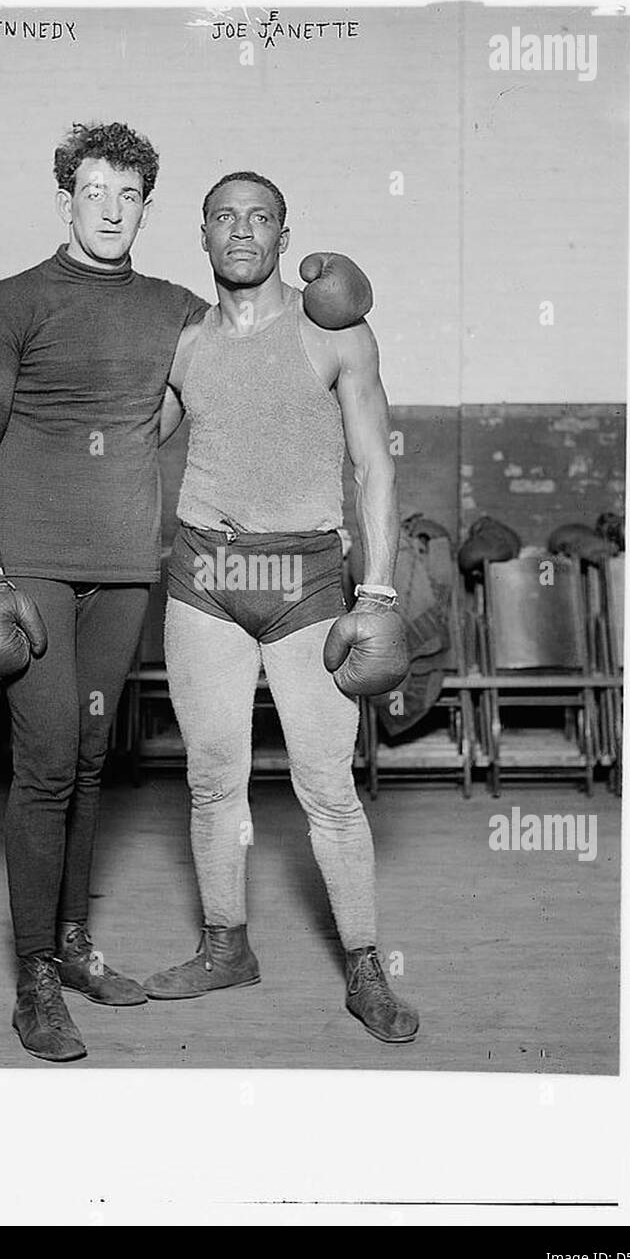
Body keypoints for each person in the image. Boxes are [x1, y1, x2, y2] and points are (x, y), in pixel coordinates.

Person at [0, 126, 373, 1062]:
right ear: (65, 198)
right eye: (92, 192)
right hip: (31, 567)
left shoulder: (176, 311)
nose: (108, 210)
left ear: (146, 207)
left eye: (127, 196)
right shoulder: (9, 301)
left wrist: (342, 289)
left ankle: (72, 943)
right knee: (48, 760)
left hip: (131, 568)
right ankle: (33, 980)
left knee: (92, 757)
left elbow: (263, 313)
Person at [143, 172, 420, 1044]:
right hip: (202, 574)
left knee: (328, 789)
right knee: (211, 780)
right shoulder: (184, 345)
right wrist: (3, 437)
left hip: (304, 583)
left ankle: (366, 968)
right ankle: (226, 945)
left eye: (259, 218)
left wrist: (376, 593)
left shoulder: (334, 332)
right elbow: (114, 439)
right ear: (201, 234)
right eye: (224, 217)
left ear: (283, 233)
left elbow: (375, 465)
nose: (241, 231)